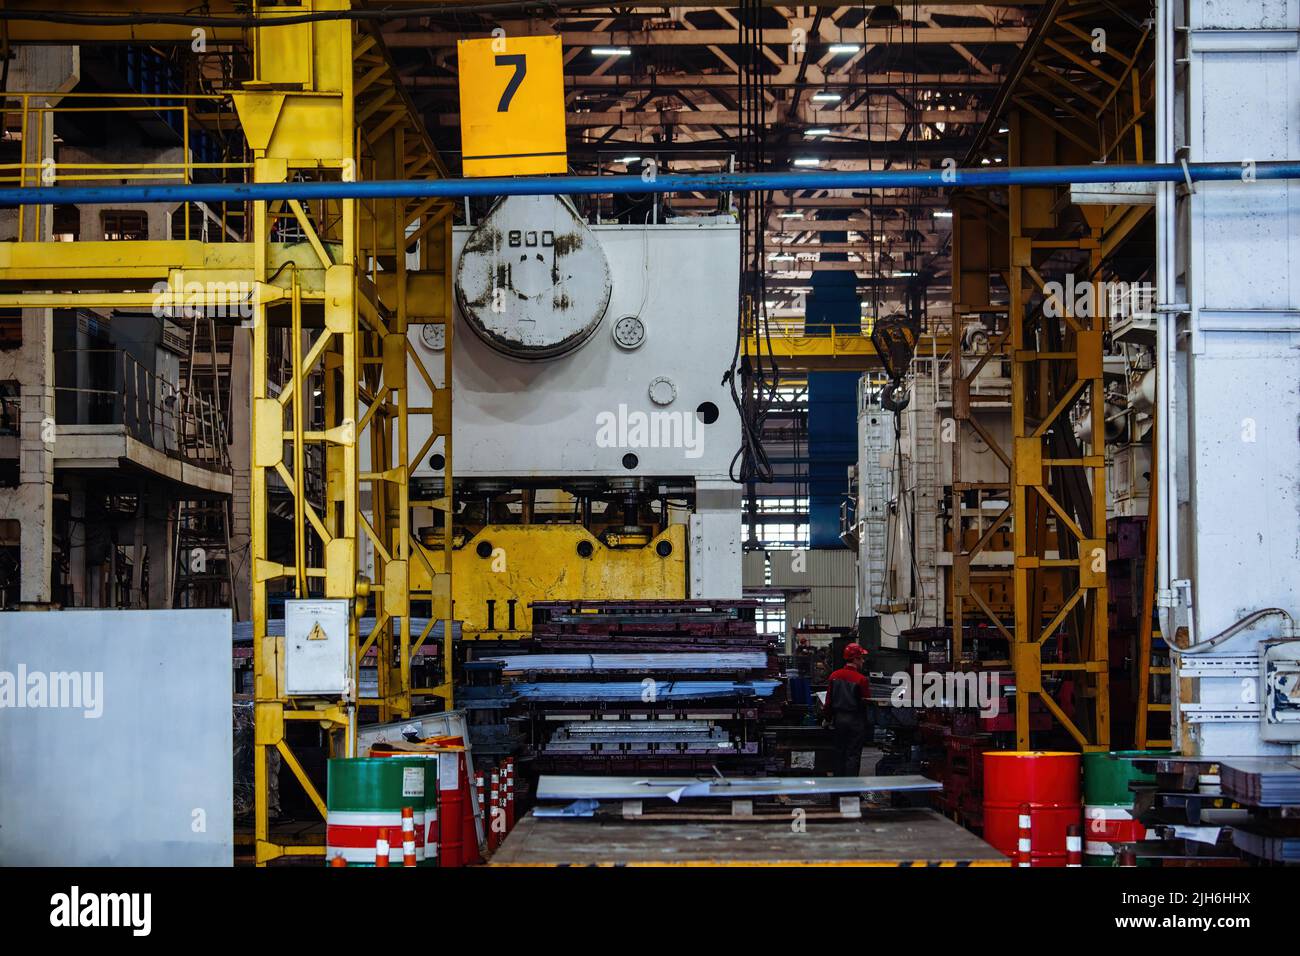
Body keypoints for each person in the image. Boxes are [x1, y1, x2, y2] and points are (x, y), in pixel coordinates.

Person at [823, 643, 872, 776]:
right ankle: (851, 791)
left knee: (839, 753)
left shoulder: (834, 676)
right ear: (855, 659)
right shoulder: (861, 680)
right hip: (856, 721)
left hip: (839, 721)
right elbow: (867, 701)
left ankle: (838, 790)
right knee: (853, 755)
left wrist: (827, 719)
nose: (863, 661)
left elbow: (828, 702)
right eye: (861, 658)